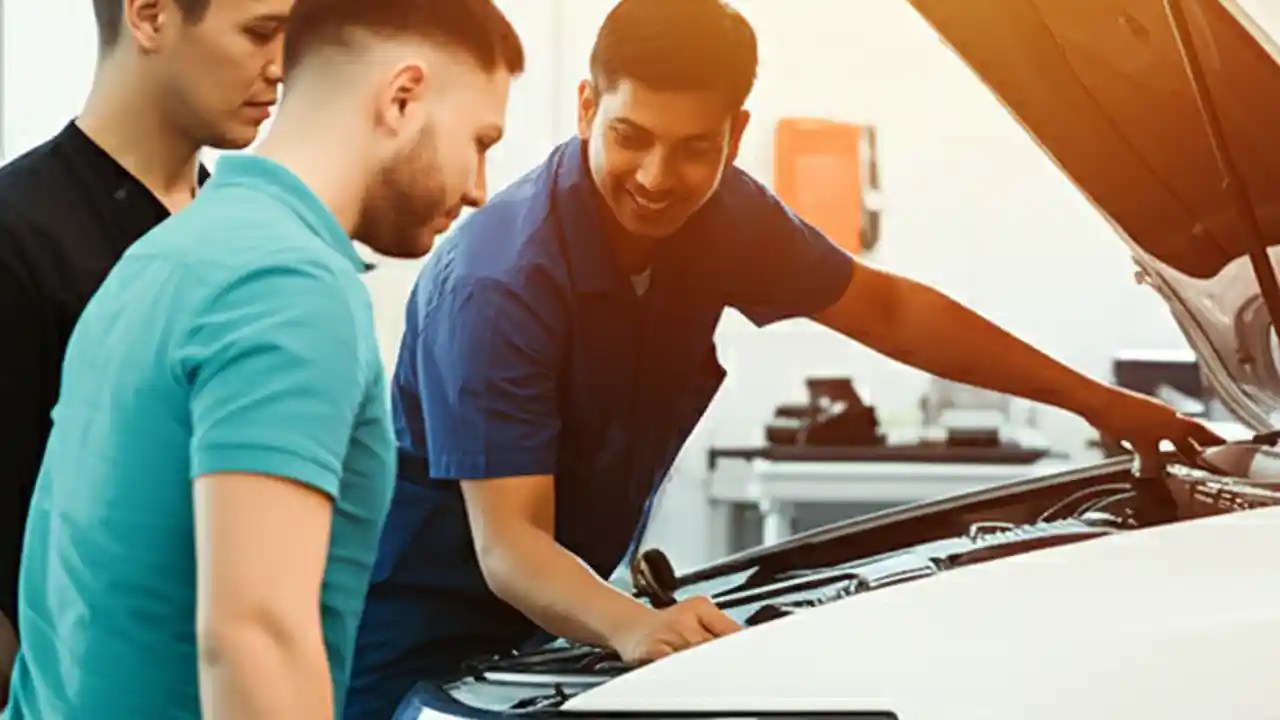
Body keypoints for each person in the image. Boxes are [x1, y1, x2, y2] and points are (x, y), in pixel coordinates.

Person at [347, 0, 1225, 716]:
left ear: (737, 129)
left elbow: (887, 309)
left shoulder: (725, 216)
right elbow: (510, 549)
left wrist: (1100, 405)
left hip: (547, 634)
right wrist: (632, 628)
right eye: (631, 136)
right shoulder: (500, 281)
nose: (657, 176)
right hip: (408, 657)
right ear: (586, 108)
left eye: (696, 147)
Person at [1, 0, 523, 718]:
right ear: (402, 97)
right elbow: (258, 639)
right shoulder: (285, 284)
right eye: (480, 140)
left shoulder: (169, 252)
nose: (478, 189)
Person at [0, 0, 288, 702]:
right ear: (151, 15)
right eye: (259, 32)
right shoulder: (18, 234)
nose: (280, 68)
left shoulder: (249, 237)